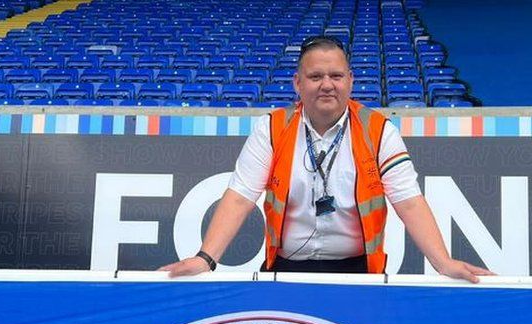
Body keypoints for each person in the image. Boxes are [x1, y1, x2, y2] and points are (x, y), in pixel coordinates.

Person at [161, 36, 492, 282]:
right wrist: (206, 258)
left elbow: (409, 202)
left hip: (360, 274)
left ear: (350, 81)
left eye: (335, 76)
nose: (327, 85)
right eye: (316, 77)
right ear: (298, 83)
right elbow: (239, 197)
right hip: (285, 271)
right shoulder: (271, 128)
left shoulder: (379, 131)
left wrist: (443, 262)